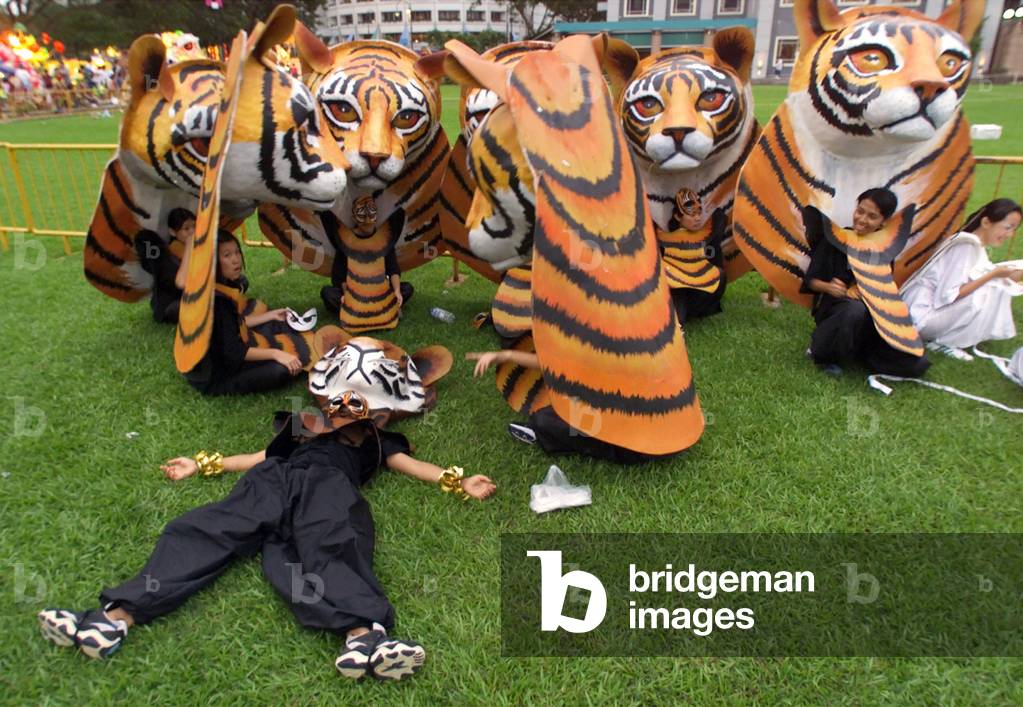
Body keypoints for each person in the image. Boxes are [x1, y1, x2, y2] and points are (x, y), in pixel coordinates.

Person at [38, 337, 496, 681]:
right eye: (340, 398)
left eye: (358, 402)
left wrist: (457, 480)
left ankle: (363, 637)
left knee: (326, 548)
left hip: (329, 489)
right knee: (206, 528)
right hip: (274, 481)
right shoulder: (304, 425)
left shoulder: (377, 440)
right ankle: (113, 619)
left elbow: (410, 465)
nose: (346, 405)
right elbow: (260, 457)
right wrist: (204, 464)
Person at [800, 188, 930, 377]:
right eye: (860, 211)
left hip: (871, 315)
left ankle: (859, 351)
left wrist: (866, 290)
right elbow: (810, 281)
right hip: (838, 310)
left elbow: (883, 288)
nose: (862, 219)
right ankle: (826, 353)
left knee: (914, 362)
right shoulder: (835, 238)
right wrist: (829, 287)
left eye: (872, 216)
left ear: (883, 221)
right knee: (854, 310)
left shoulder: (883, 250)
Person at [183, 231, 313, 396]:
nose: (235, 259)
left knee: (277, 323)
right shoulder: (216, 302)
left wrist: (270, 315)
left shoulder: (220, 287)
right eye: (227, 255)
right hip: (217, 376)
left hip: (229, 353)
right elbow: (234, 353)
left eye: (237, 252)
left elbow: (234, 324)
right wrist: (276, 354)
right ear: (212, 261)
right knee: (281, 369)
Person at [900, 198, 1022, 358]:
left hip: (923, 313)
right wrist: (992, 275)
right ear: (986, 222)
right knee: (990, 287)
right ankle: (944, 341)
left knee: (995, 281)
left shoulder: (975, 246)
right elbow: (950, 295)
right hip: (920, 318)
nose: (1010, 235)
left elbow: (1004, 276)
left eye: (1013, 230)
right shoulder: (965, 246)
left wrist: (998, 274)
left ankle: (943, 339)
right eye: (1007, 228)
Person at [662, 189, 727, 326]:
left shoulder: (706, 237)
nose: (697, 218)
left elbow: (719, 217)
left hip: (699, 289)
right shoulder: (664, 238)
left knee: (719, 276)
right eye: (692, 214)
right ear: (678, 216)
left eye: (699, 213)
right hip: (676, 285)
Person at [134, 208, 194, 323]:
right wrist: (189, 247)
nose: (192, 232)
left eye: (194, 226)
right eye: (186, 228)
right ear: (172, 232)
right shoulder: (170, 255)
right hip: (172, 302)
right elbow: (180, 282)